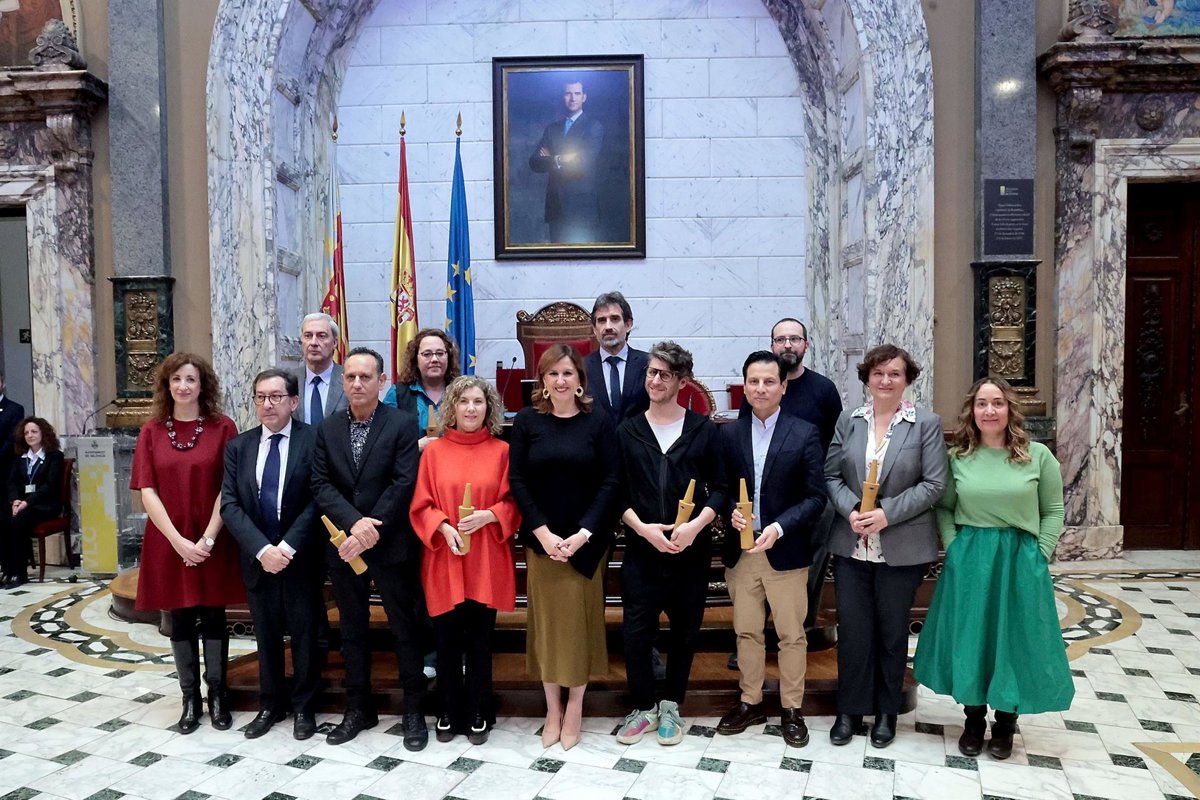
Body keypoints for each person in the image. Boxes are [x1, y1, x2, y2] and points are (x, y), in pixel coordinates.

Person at [913, 377, 1072, 760]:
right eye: (982, 404)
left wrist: (1040, 553)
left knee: (1014, 637)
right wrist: (955, 547)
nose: (989, 411)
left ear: (1009, 409)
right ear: (972, 411)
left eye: (997, 403)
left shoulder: (1037, 456)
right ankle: (973, 719)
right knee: (974, 637)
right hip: (972, 557)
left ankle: (1005, 722)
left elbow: (1053, 511)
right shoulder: (958, 458)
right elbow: (945, 507)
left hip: (1019, 558)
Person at [824, 344, 947, 749]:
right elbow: (830, 477)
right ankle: (849, 712)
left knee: (892, 633)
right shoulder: (849, 420)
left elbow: (934, 484)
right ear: (867, 378)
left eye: (894, 373)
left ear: (907, 378)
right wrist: (851, 510)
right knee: (854, 632)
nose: (886, 380)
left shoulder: (924, 424)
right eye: (878, 373)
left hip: (900, 546)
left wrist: (886, 514)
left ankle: (886, 712)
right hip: (851, 545)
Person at [312, 347, 429, 750]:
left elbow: (404, 482)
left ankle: (414, 711)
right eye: (350, 377)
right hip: (344, 546)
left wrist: (370, 526)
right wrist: (354, 525)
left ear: (382, 381)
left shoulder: (401, 424)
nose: (357, 384)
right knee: (353, 630)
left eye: (366, 377)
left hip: (391, 543)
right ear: (342, 382)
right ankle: (358, 707)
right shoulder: (326, 428)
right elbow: (321, 485)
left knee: (404, 628)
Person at [613, 341, 724, 747]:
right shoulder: (627, 430)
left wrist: (696, 526)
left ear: (681, 381)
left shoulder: (703, 430)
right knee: (636, 633)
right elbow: (615, 492)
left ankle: (672, 705)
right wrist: (641, 528)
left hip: (689, 551)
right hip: (643, 549)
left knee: (684, 632)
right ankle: (643, 706)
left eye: (663, 374)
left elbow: (722, 489)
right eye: (650, 373)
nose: (654, 381)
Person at [509, 344, 618, 751]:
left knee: (578, 626)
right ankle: (552, 707)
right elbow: (517, 480)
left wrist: (584, 534)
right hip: (543, 544)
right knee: (549, 628)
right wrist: (542, 532)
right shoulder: (526, 421)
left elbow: (611, 481)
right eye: (552, 374)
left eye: (568, 373)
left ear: (580, 380)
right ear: (542, 380)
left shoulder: (598, 421)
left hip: (585, 544)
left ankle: (575, 705)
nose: (560, 381)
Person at [717, 352, 826, 748]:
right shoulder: (727, 433)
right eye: (753, 381)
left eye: (768, 382)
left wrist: (780, 527)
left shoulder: (804, 432)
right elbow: (721, 489)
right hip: (743, 552)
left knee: (791, 635)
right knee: (746, 631)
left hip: (785, 550)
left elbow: (816, 498)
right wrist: (729, 511)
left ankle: (791, 708)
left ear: (783, 386)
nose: (760, 389)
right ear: (743, 386)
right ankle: (750, 701)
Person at [130, 353, 242, 735]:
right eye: (176, 379)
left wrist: (207, 538)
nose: (183, 386)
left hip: (214, 537)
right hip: (168, 540)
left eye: (190, 379)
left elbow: (230, 487)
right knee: (178, 618)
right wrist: (179, 542)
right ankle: (190, 699)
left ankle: (219, 697)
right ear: (167, 385)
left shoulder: (222, 427)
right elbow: (147, 491)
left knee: (213, 616)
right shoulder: (151, 432)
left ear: (202, 385)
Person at [410, 376, 519, 746]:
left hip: (485, 557)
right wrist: (442, 527)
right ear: (451, 408)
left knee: (480, 641)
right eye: (463, 402)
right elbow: (421, 505)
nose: (471, 408)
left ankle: (478, 710)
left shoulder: (503, 451)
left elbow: (513, 503)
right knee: (446, 640)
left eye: (478, 401)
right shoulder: (434, 452)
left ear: (489, 408)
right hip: (445, 557)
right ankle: (447, 709)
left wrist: (490, 516)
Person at [221, 369, 324, 741]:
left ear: (293, 402)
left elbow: (318, 499)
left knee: (304, 636)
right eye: (261, 397)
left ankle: (304, 707)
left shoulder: (313, 440)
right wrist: (263, 549)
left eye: (276, 397)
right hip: (258, 558)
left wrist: (288, 546)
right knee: (264, 636)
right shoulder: (239, 447)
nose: (268, 404)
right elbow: (230, 506)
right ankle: (270, 704)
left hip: (301, 556)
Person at [738, 318, 842, 453]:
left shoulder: (825, 388)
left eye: (794, 339)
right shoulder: (759, 391)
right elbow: (744, 434)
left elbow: (837, 442)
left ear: (806, 345)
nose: (787, 345)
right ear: (772, 346)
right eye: (780, 340)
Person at [528, 78, 604, 243]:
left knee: (582, 266)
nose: (572, 98)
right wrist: (562, 158)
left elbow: (582, 164)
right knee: (555, 264)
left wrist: (550, 158)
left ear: (584, 97)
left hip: (581, 211)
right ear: (563, 96)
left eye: (577, 93)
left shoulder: (593, 127)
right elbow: (534, 162)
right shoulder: (552, 129)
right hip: (556, 209)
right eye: (568, 93)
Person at [3, 416, 64, 588]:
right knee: (4, 520)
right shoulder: (19, 457)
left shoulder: (55, 456)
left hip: (45, 505)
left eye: (34, 431)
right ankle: (8, 570)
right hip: (22, 503)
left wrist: (26, 503)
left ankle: (20, 574)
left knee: (18, 521)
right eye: (26, 432)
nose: (30, 435)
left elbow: (50, 486)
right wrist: (15, 500)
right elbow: (12, 482)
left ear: (43, 433)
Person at [383, 328, 461, 451]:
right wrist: (417, 446)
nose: (434, 359)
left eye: (440, 353)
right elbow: (384, 441)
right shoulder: (398, 394)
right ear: (415, 360)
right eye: (427, 354)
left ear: (448, 357)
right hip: (412, 467)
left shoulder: (462, 392)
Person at [583, 291, 649, 422]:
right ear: (594, 329)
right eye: (601, 320)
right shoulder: (581, 367)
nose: (608, 327)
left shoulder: (648, 363)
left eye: (614, 319)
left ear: (628, 325)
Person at [295, 312, 348, 425]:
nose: (313, 343)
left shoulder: (349, 379)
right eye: (308, 336)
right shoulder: (289, 380)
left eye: (321, 336)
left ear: (334, 343)